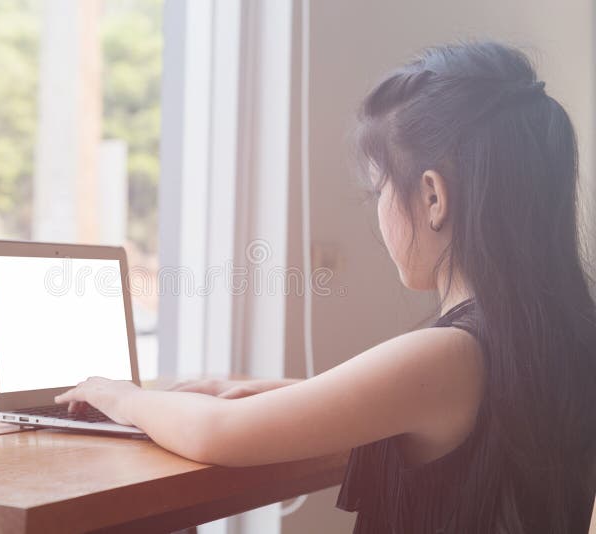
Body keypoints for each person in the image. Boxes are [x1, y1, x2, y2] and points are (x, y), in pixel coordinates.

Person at [54, 41, 596, 533]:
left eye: (380, 189)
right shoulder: (559, 337)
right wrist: (285, 394)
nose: (379, 213)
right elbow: (408, 407)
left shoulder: (452, 354)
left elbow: (219, 432)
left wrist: (120, 395)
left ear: (433, 197)